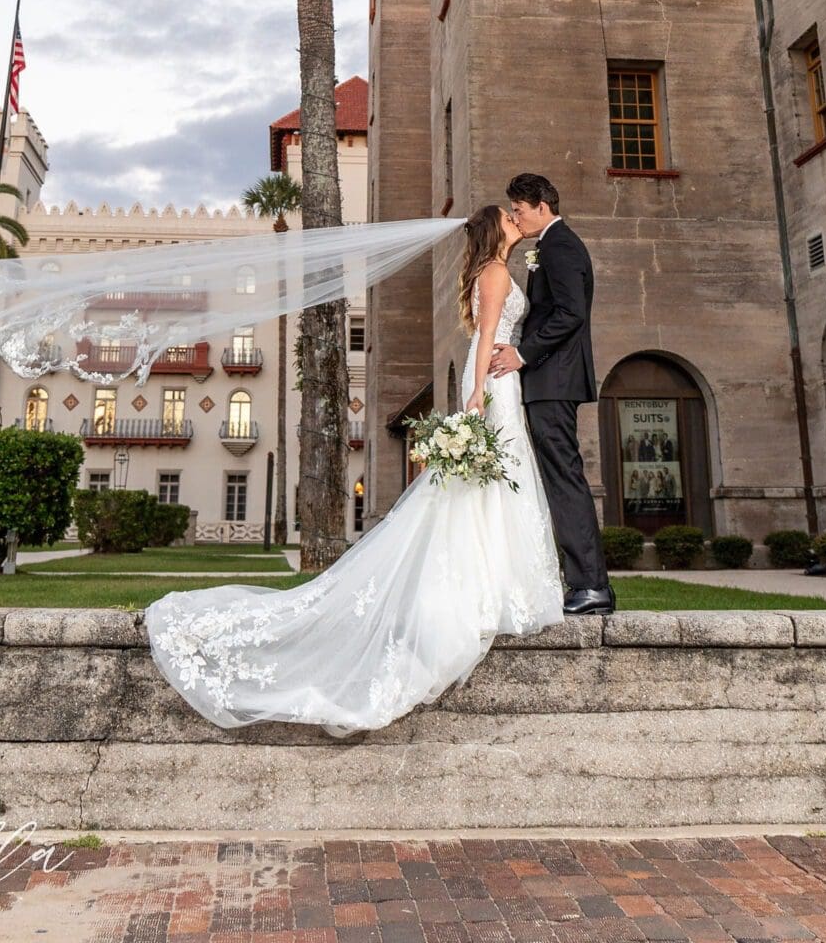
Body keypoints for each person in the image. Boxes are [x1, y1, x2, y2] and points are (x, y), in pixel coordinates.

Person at [144, 203, 564, 733]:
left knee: (484, 485)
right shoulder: (497, 271)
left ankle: (494, 583)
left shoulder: (495, 269)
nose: (514, 219)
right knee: (489, 481)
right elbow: (484, 336)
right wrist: (479, 393)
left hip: (501, 377)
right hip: (495, 383)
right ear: (494, 230)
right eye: (508, 216)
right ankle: (493, 588)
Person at [489, 171, 615, 615]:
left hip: (554, 378)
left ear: (542, 205)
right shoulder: (549, 246)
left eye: (520, 210)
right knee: (560, 477)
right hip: (549, 379)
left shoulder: (560, 246)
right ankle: (584, 581)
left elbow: (570, 314)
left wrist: (522, 355)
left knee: (565, 479)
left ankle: (591, 585)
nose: (517, 218)